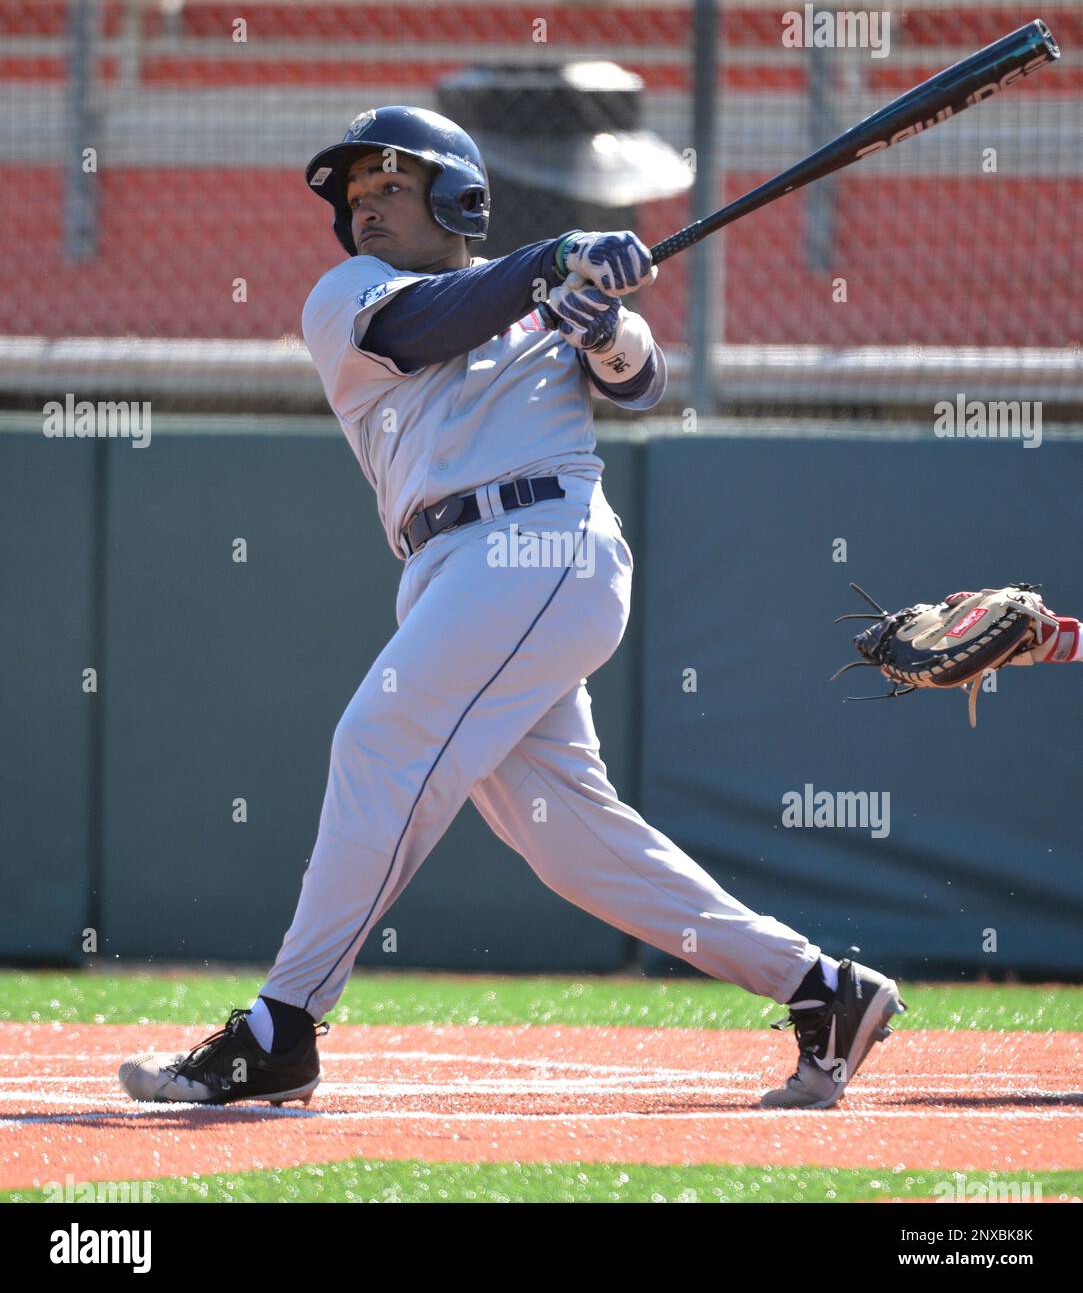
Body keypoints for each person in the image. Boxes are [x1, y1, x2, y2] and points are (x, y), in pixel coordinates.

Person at [119, 106, 907, 1113]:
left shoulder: (539, 301)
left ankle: (280, 1029)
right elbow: (433, 321)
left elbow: (642, 385)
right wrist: (559, 260)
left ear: (456, 197)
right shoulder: (354, 297)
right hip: (456, 571)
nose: (364, 209)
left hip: (539, 546)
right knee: (570, 841)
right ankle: (822, 991)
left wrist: (608, 329)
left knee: (378, 737)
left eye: (389, 188)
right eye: (355, 195)